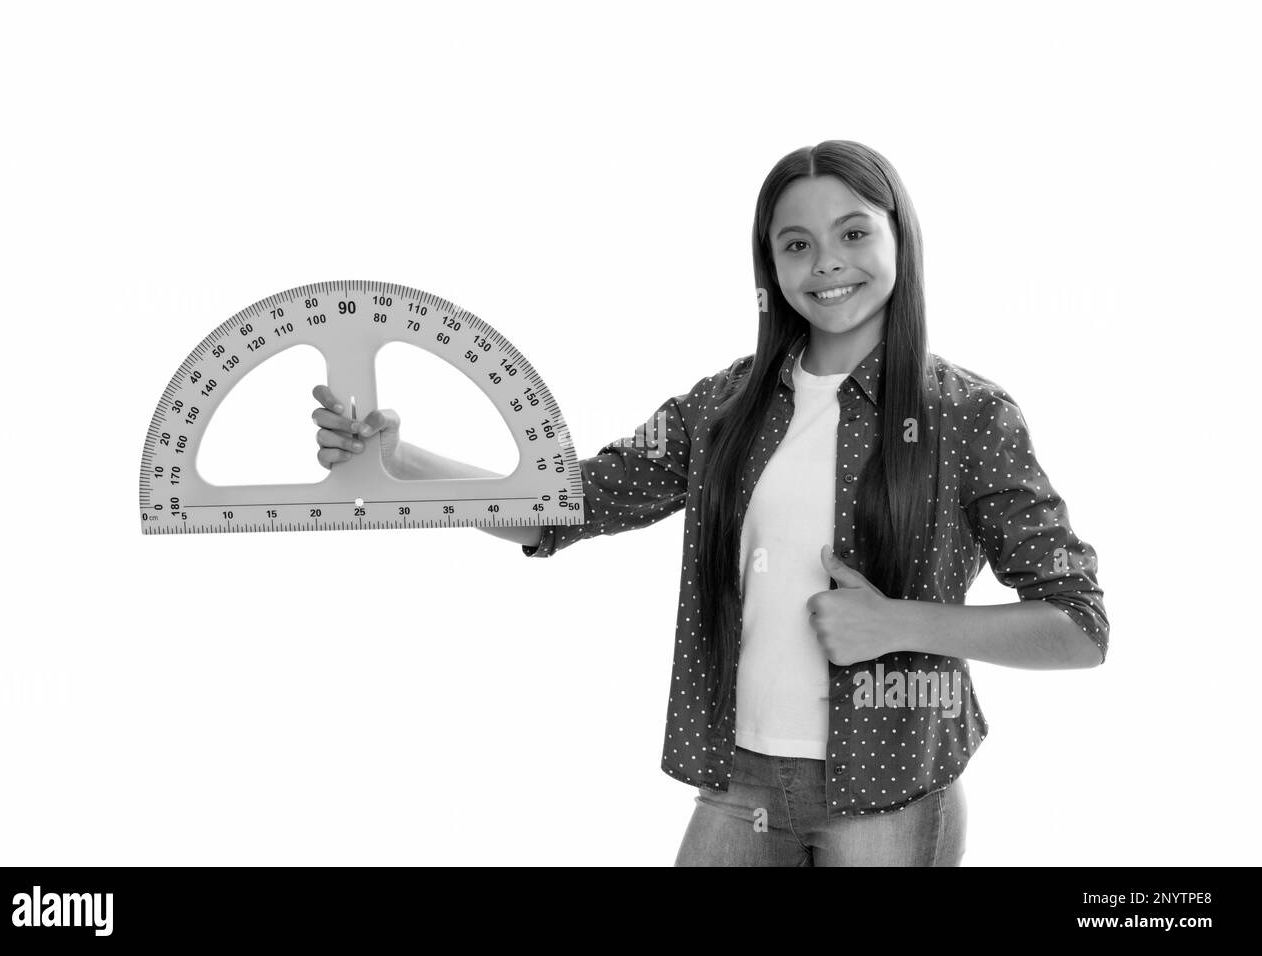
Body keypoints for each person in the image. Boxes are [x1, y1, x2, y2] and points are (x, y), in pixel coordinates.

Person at [309, 140, 1109, 867]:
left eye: (854, 232)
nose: (827, 262)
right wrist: (403, 463)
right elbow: (562, 508)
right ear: (770, 267)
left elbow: (1079, 627)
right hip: (741, 782)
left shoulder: (970, 415)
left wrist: (898, 624)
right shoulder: (725, 404)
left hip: (892, 793)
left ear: (901, 237)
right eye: (797, 244)